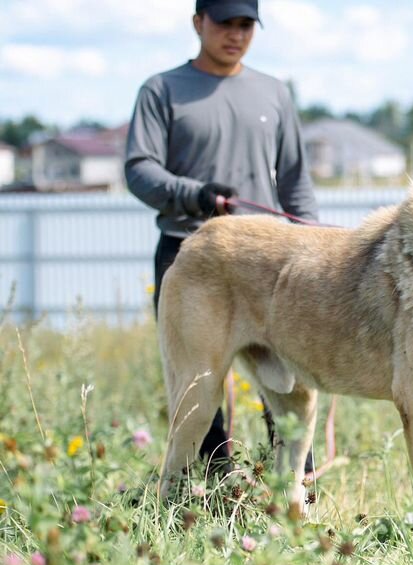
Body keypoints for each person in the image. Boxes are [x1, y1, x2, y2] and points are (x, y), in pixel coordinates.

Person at [125, 0, 319, 471]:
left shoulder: (273, 93)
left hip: (268, 264)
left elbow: (295, 180)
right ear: (198, 23)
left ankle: (298, 495)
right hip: (192, 260)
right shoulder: (161, 91)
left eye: (246, 24)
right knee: (198, 386)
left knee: (292, 385)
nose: (236, 34)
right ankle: (207, 494)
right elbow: (138, 169)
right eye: (224, 23)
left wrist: (317, 249)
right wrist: (194, 195)